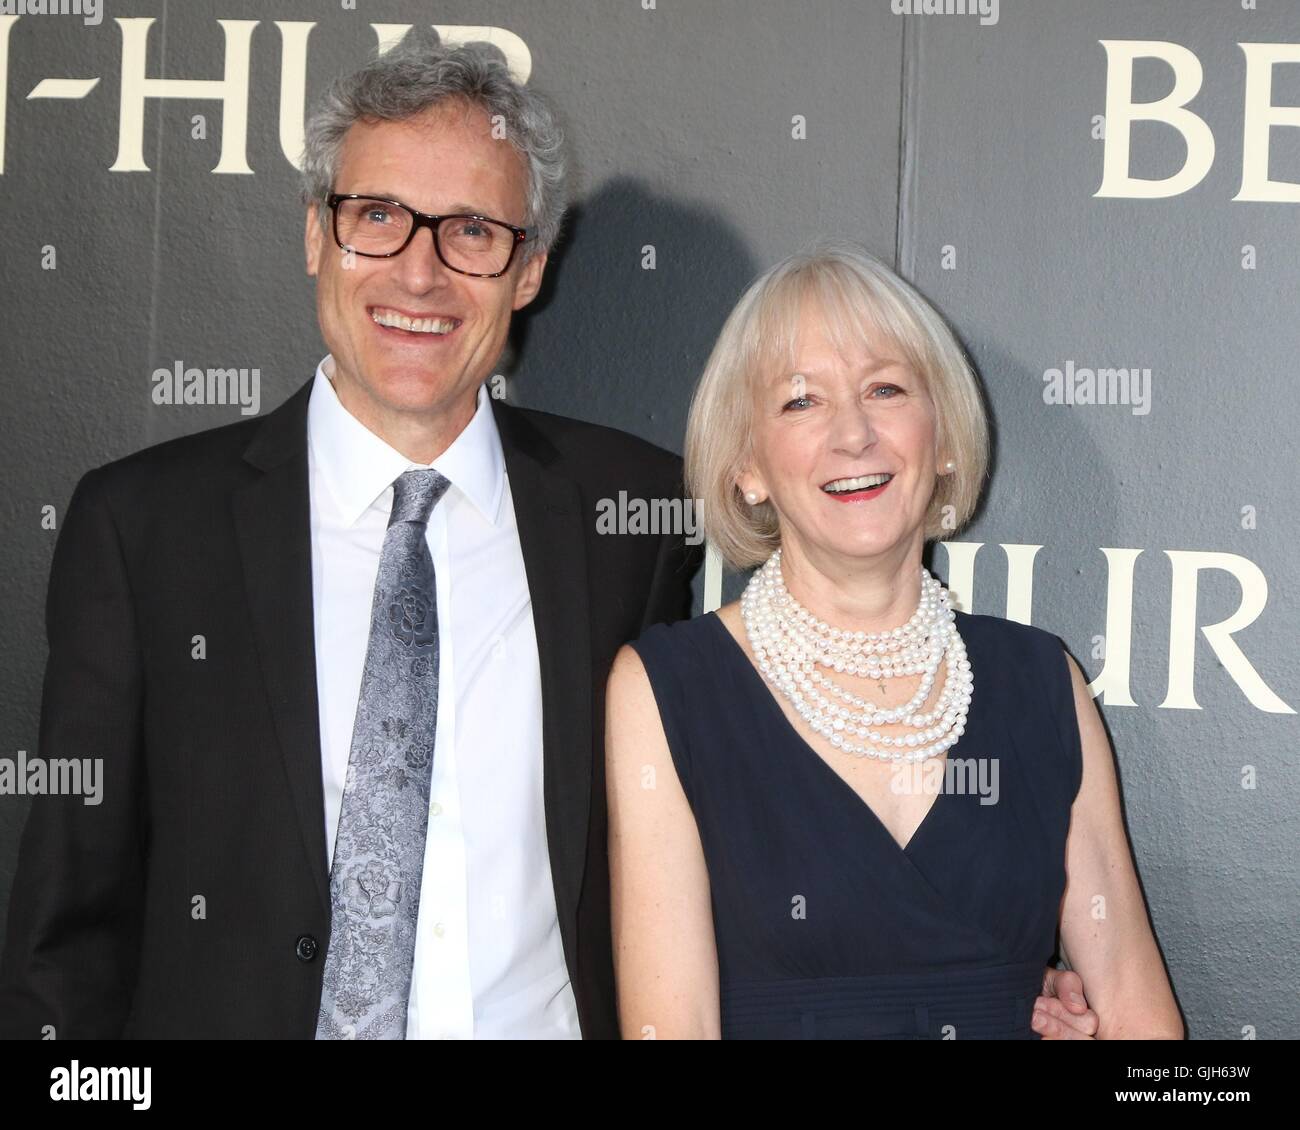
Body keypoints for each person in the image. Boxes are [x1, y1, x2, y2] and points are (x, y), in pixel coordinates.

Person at [0, 35, 698, 1039]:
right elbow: (64, 934)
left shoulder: (629, 511)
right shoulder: (146, 527)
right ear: (315, 237)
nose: (419, 274)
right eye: (376, 217)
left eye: (470, 229)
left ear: (530, 268)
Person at [606, 243, 1182, 1039]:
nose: (854, 435)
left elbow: (1148, 1034)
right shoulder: (667, 690)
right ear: (747, 468)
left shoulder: (1041, 683)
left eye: (885, 389)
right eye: (801, 401)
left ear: (942, 439)